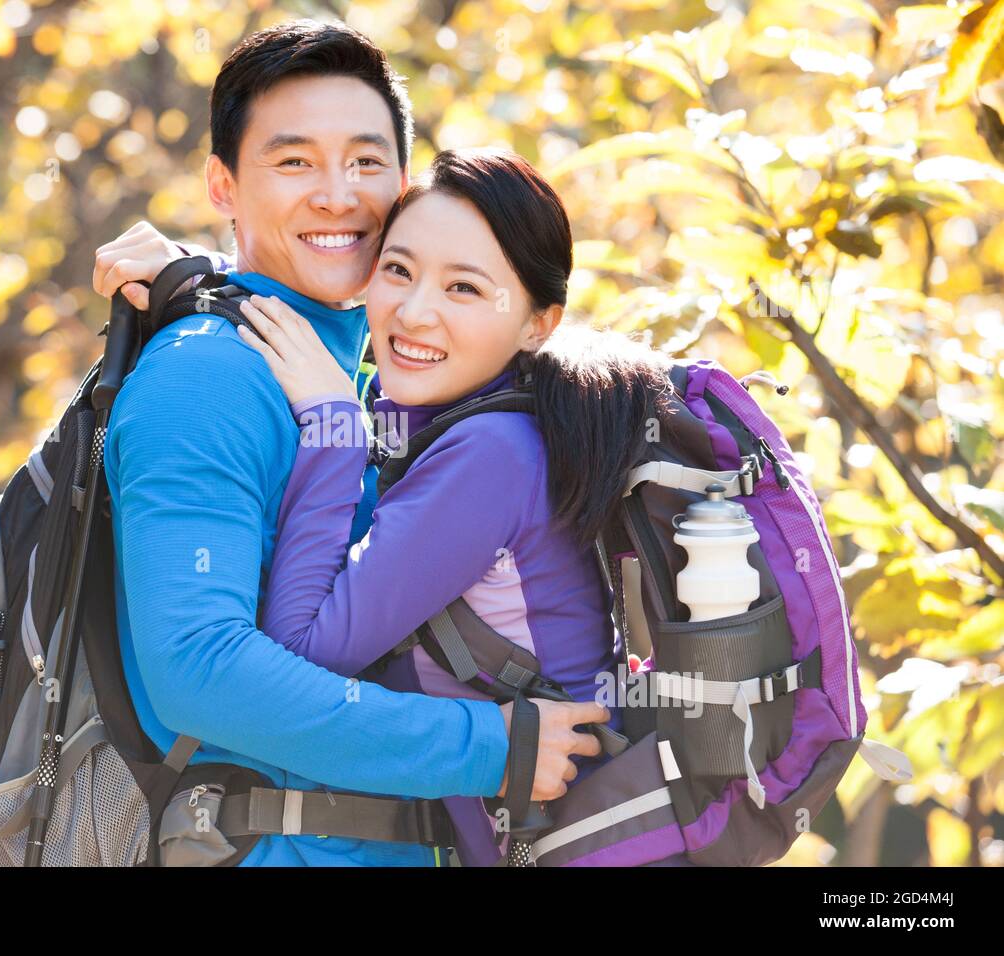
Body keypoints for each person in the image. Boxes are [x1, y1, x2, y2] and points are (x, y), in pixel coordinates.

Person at [95, 20, 608, 866]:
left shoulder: (378, 378)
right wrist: (493, 745)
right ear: (223, 186)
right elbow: (197, 669)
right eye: (293, 162)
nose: (338, 195)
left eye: (366, 163)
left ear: (401, 185)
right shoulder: (207, 380)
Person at [234, 148, 676, 866]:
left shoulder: (492, 454)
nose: (413, 312)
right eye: (399, 270)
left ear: (539, 323)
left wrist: (334, 427)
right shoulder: (494, 423)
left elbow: (298, 660)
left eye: (464, 289)